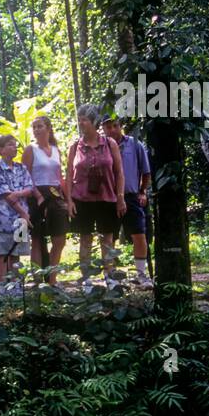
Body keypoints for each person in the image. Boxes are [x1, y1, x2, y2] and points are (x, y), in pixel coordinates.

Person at [63, 104, 126, 288]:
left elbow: (119, 172)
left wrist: (120, 197)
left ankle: (110, 277)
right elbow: (68, 175)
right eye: (80, 119)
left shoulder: (110, 143)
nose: (81, 122)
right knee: (85, 238)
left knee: (107, 238)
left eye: (85, 119)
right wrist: (69, 200)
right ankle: (86, 279)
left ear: (94, 122)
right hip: (82, 199)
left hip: (107, 198)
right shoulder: (75, 146)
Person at [103, 116, 154, 287]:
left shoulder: (134, 144)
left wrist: (142, 191)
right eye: (107, 127)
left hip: (131, 196)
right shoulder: (101, 146)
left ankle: (141, 275)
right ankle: (111, 277)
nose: (111, 130)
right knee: (109, 238)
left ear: (121, 126)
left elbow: (146, 170)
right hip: (108, 198)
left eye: (115, 126)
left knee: (139, 234)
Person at [22, 117, 68, 285]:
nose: (36, 130)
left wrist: (68, 199)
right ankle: (36, 280)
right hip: (36, 195)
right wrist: (37, 195)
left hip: (56, 195)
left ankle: (52, 279)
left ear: (48, 128)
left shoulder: (56, 149)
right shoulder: (30, 150)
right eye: (34, 127)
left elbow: (60, 177)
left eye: (39, 126)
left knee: (59, 239)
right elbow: (25, 176)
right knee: (37, 239)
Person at [0, 134, 36, 291]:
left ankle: (16, 286)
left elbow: (30, 188)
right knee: (2, 253)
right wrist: (23, 213)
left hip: (21, 220)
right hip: (3, 219)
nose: (14, 147)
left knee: (16, 252)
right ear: (1, 150)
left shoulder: (21, 168)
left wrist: (18, 194)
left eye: (15, 144)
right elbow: (5, 195)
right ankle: (2, 286)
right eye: (10, 145)